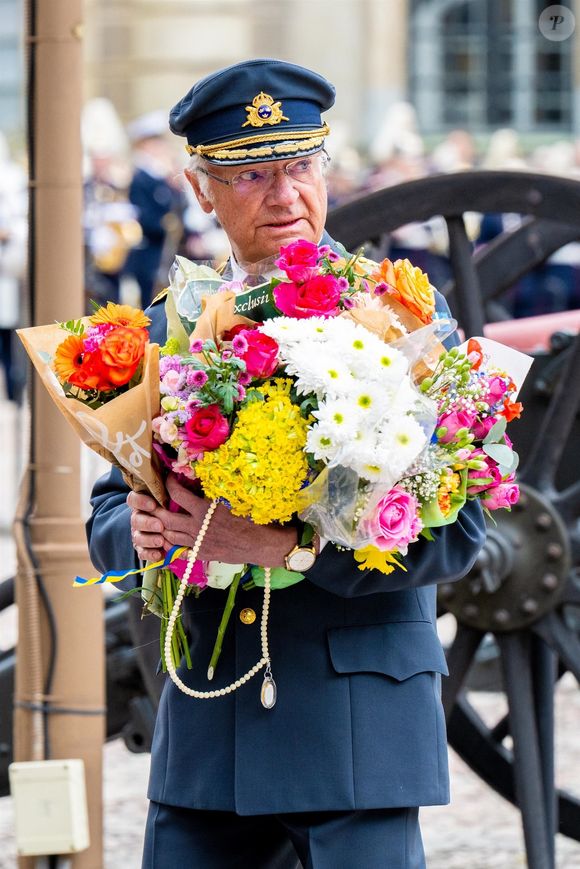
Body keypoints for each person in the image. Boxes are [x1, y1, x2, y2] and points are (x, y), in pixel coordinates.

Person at [87, 58, 486, 869]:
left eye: (301, 167)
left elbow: (461, 531)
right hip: (210, 741)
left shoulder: (399, 311)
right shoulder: (171, 325)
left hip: (356, 730)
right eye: (252, 174)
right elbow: (103, 512)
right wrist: (135, 527)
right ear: (201, 190)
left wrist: (285, 548)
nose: (284, 195)